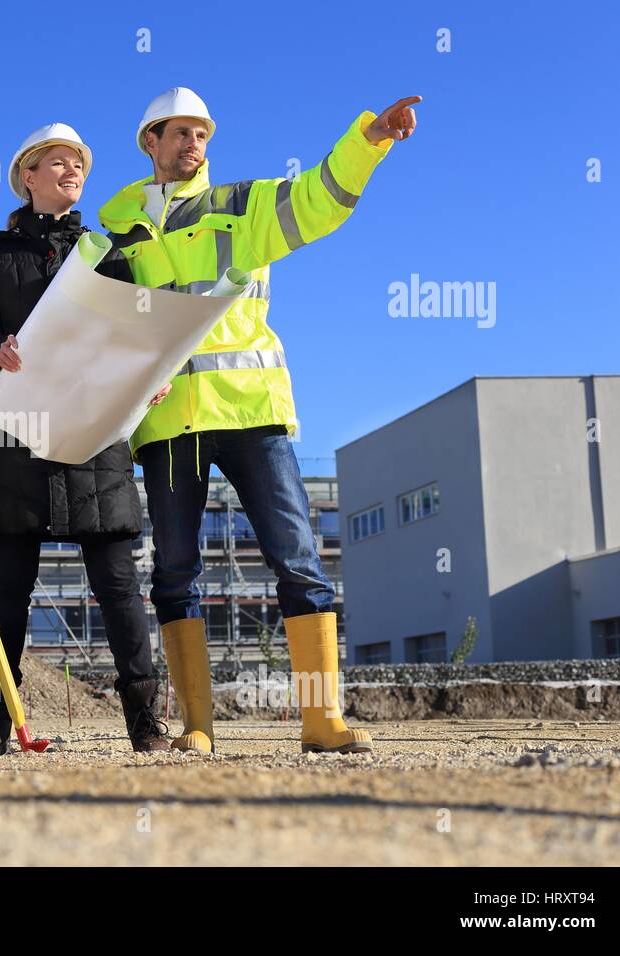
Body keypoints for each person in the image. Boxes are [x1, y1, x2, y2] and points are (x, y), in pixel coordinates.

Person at [98, 88, 421, 754]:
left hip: (251, 409)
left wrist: (369, 141)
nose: (194, 144)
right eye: (180, 133)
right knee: (175, 573)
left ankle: (320, 720)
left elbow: (317, 200)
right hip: (167, 426)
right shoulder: (118, 233)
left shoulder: (243, 206)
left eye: (202, 134)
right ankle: (197, 727)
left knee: (298, 562)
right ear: (150, 142)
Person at [0, 123, 169, 756]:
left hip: (94, 430)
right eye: (58, 162)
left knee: (118, 584)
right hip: (18, 432)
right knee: (9, 587)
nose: (72, 171)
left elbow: (138, 332)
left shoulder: (106, 252)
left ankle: (146, 724)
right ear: (28, 175)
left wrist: (148, 378)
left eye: (78, 163)